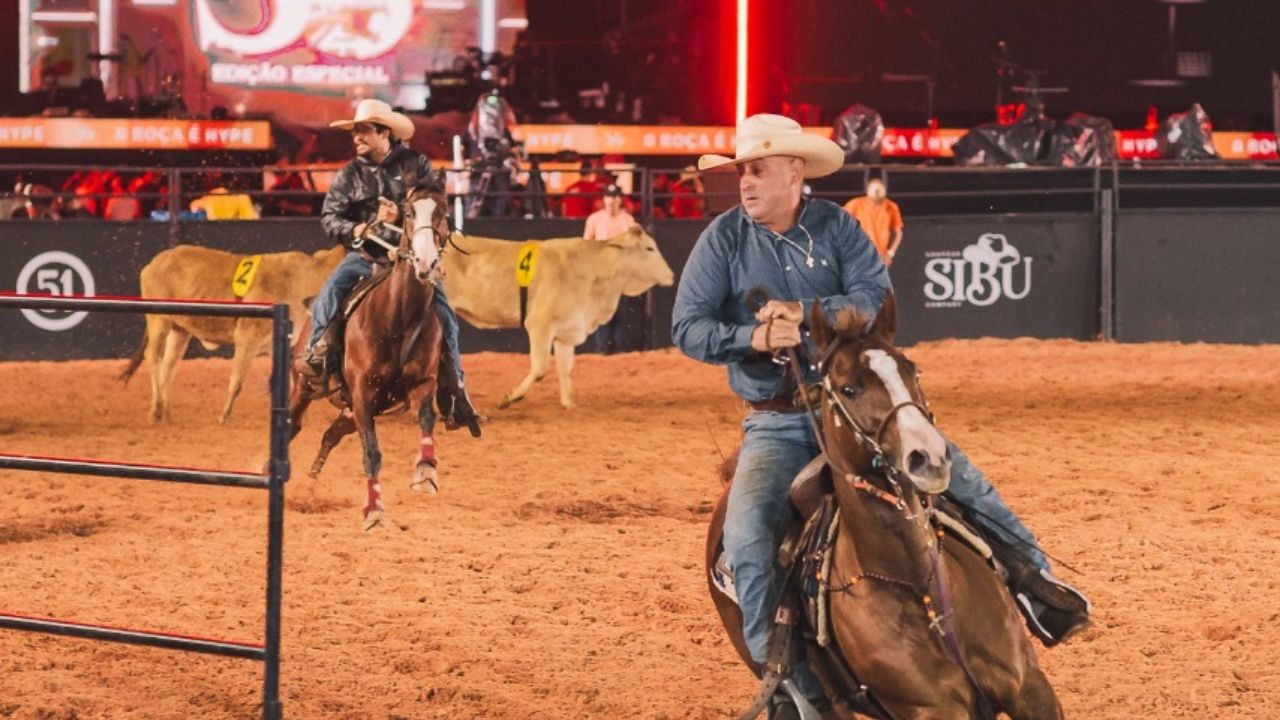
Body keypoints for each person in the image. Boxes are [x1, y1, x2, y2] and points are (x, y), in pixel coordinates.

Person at [672, 114, 1090, 716]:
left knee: (958, 476)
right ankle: (785, 679)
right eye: (741, 172)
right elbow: (688, 328)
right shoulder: (724, 239)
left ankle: (1038, 586)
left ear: (795, 172)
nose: (745, 183)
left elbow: (874, 295)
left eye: (757, 170)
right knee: (744, 536)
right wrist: (755, 337)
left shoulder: (837, 226)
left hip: (859, 401)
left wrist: (806, 310)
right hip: (778, 418)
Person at [300, 99, 481, 436]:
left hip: (412, 256)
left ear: (385, 133)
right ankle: (316, 354)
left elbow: (434, 202)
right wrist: (357, 228)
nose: (356, 137)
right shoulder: (350, 175)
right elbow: (330, 218)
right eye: (355, 131)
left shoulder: (416, 166)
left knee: (445, 315)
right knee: (333, 288)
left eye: (363, 131)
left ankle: (455, 389)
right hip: (367, 254)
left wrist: (400, 214)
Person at [584, 184, 639, 354]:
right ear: (604, 199)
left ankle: (618, 349)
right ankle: (601, 349)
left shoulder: (627, 220)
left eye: (614, 197)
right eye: (608, 196)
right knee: (602, 313)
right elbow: (586, 244)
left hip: (620, 272)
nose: (611, 200)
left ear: (619, 200)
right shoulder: (595, 219)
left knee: (620, 313)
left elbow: (635, 245)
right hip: (602, 272)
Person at [842, 177, 902, 265]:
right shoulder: (855, 204)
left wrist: (890, 253)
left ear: (884, 191)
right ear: (868, 191)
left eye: (879, 190)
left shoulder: (891, 207)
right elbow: (840, 226)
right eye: (874, 190)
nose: (877, 192)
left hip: (880, 258)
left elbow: (898, 233)